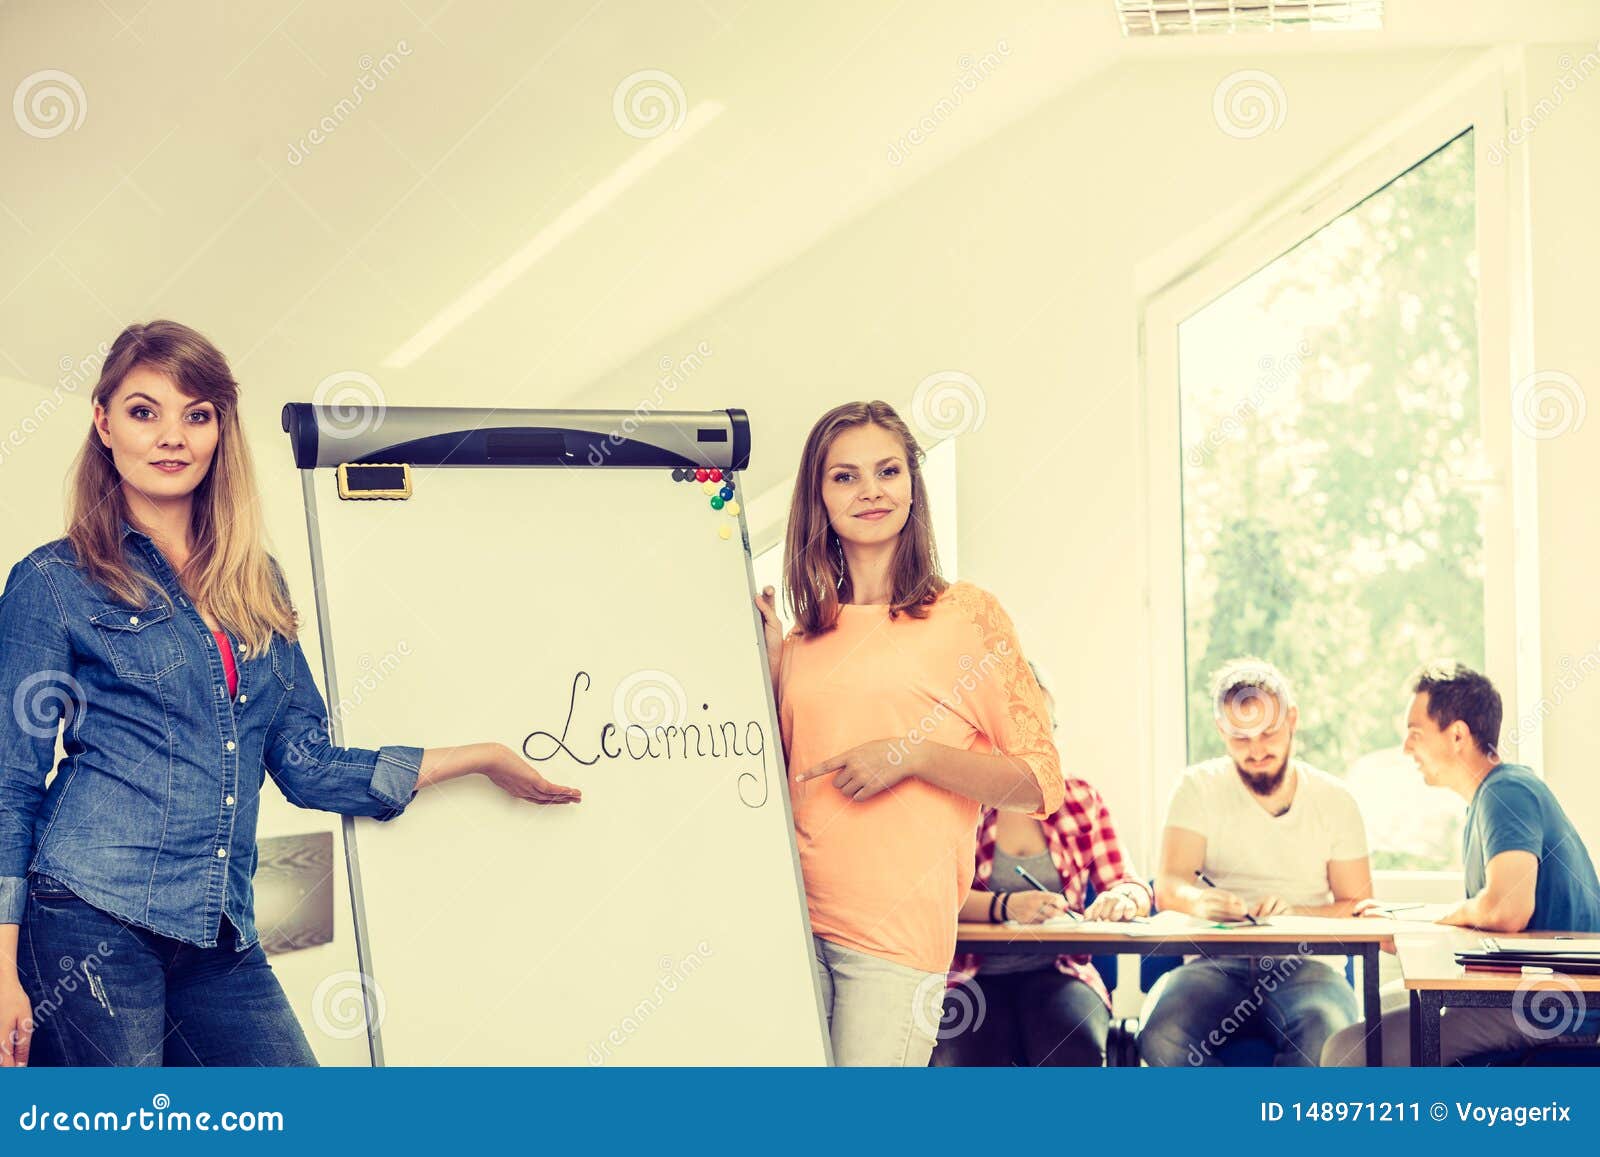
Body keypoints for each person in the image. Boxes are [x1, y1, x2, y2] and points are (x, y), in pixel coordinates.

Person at [0, 320, 582, 1068]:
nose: (172, 436)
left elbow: (305, 764)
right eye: (144, 411)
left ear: (220, 432)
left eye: (197, 414)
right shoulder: (53, 581)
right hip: (88, 918)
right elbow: (10, 784)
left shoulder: (255, 581)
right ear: (104, 423)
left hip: (218, 929)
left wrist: (481, 756)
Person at [754, 400, 1064, 1066]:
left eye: (888, 470)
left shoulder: (966, 616)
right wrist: (773, 668)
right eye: (845, 476)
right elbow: (780, 782)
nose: (870, 490)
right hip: (790, 925)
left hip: (892, 943)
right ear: (817, 497)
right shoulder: (808, 634)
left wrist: (913, 755)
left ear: (912, 487)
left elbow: (1040, 782)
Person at [1322, 662, 1600, 1065]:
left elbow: (1506, 910)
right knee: (1383, 1001)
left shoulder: (1506, 792)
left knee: (1344, 1051)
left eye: (1415, 733)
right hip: (1527, 995)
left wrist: (1434, 920)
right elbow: (1491, 922)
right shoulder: (1488, 799)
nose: (1406, 748)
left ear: (1457, 735)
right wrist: (1415, 924)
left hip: (1553, 1007)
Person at [1139, 657, 1372, 1067]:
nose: (1257, 750)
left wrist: (1295, 913)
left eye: (1268, 733)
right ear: (1220, 731)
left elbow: (1360, 908)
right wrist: (1199, 901)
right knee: (1161, 1036)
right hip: (1214, 962)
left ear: (1292, 720)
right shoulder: (1197, 788)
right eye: (1241, 738)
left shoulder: (1335, 800)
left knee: (1327, 1036)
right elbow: (1170, 885)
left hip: (1305, 963)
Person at [933, 662, 1151, 1067]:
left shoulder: (1080, 798)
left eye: (1048, 728)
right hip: (968, 976)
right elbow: (933, 900)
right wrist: (1005, 907)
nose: (1041, 742)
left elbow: (1130, 884)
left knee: (1072, 1046)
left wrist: (1124, 898)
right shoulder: (956, 801)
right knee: (964, 1055)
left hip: (1060, 971)